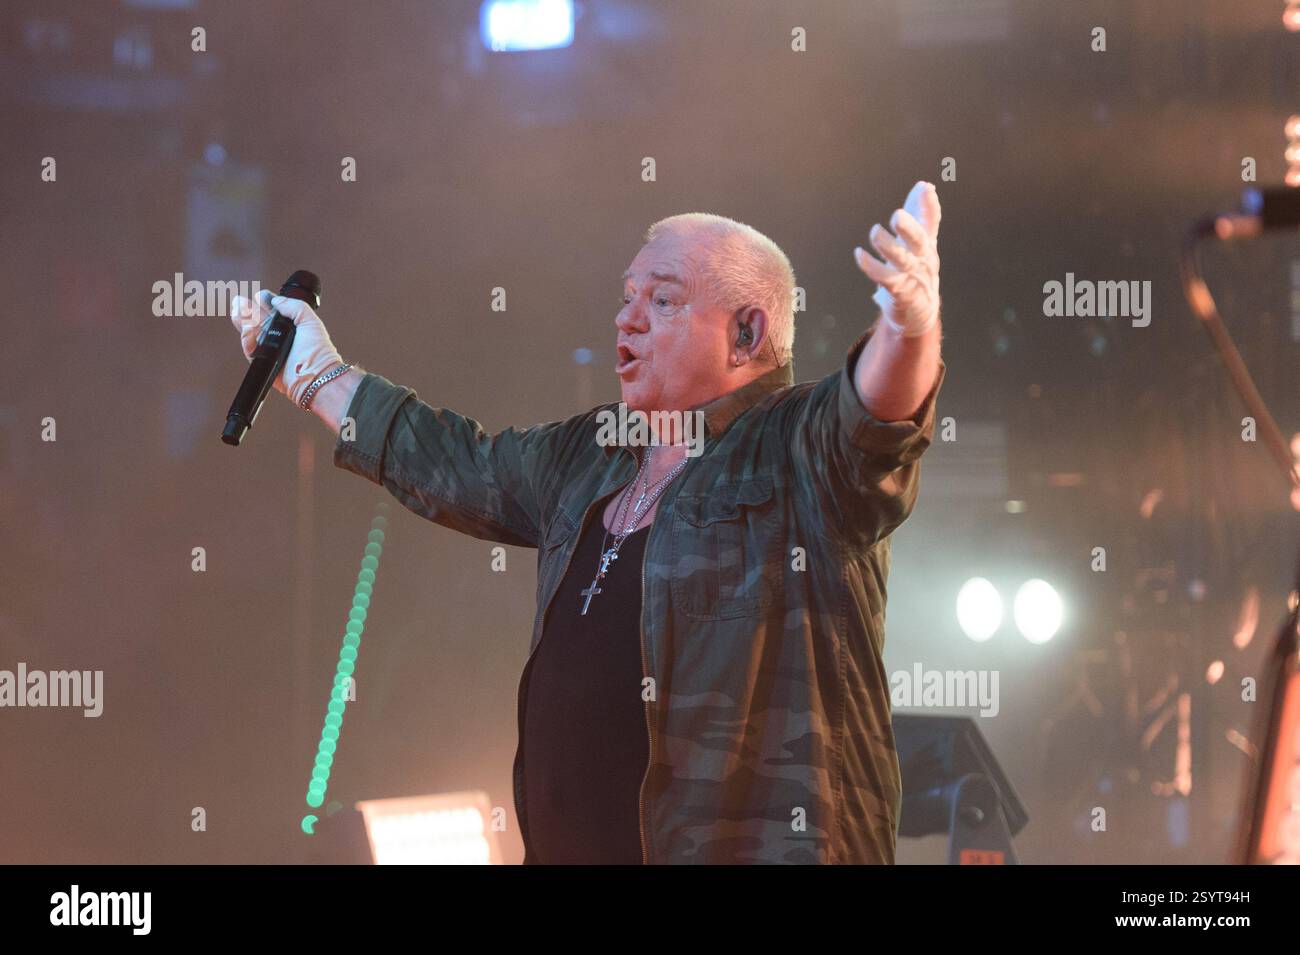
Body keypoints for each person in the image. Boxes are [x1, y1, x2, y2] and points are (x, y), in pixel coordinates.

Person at [229, 181, 946, 863]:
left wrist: (907, 329)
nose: (626, 317)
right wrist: (320, 374)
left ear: (747, 332)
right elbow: (458, 462)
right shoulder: (592, 453)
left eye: (662, 300)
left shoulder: (795, 446)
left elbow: (875, 421)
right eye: (628, 296)